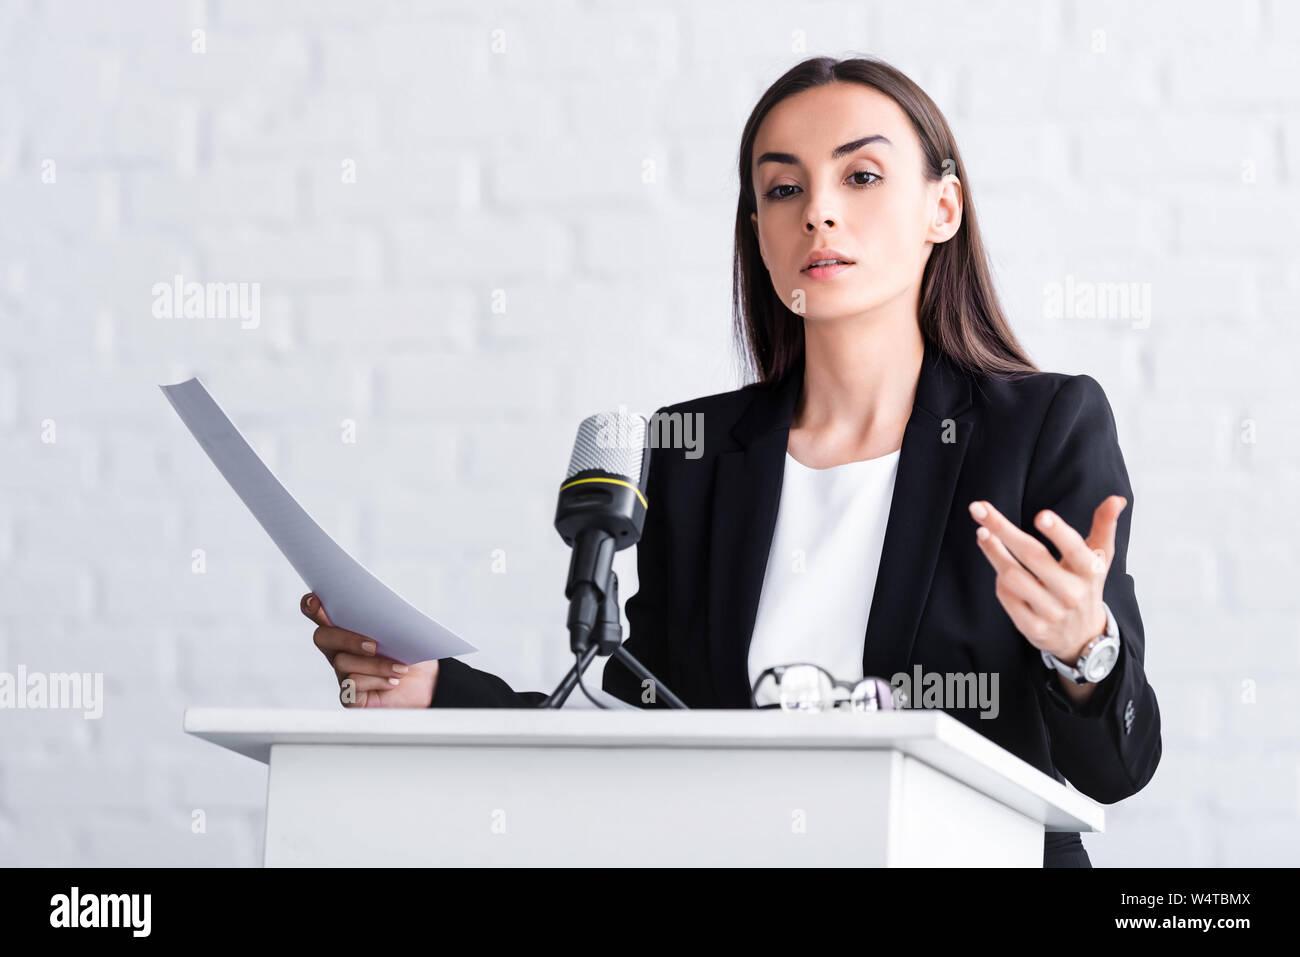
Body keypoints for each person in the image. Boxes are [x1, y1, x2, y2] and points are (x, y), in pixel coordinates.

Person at [302, 56, 1162, 868]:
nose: (818, 211)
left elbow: (1118, 768)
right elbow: (644, 728)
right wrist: (435, 690)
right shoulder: (695, 454)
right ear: (759, 230)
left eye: (861, 177)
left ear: (944, 208)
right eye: (783, 188)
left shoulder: (1043, 426)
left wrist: (1084, 650)